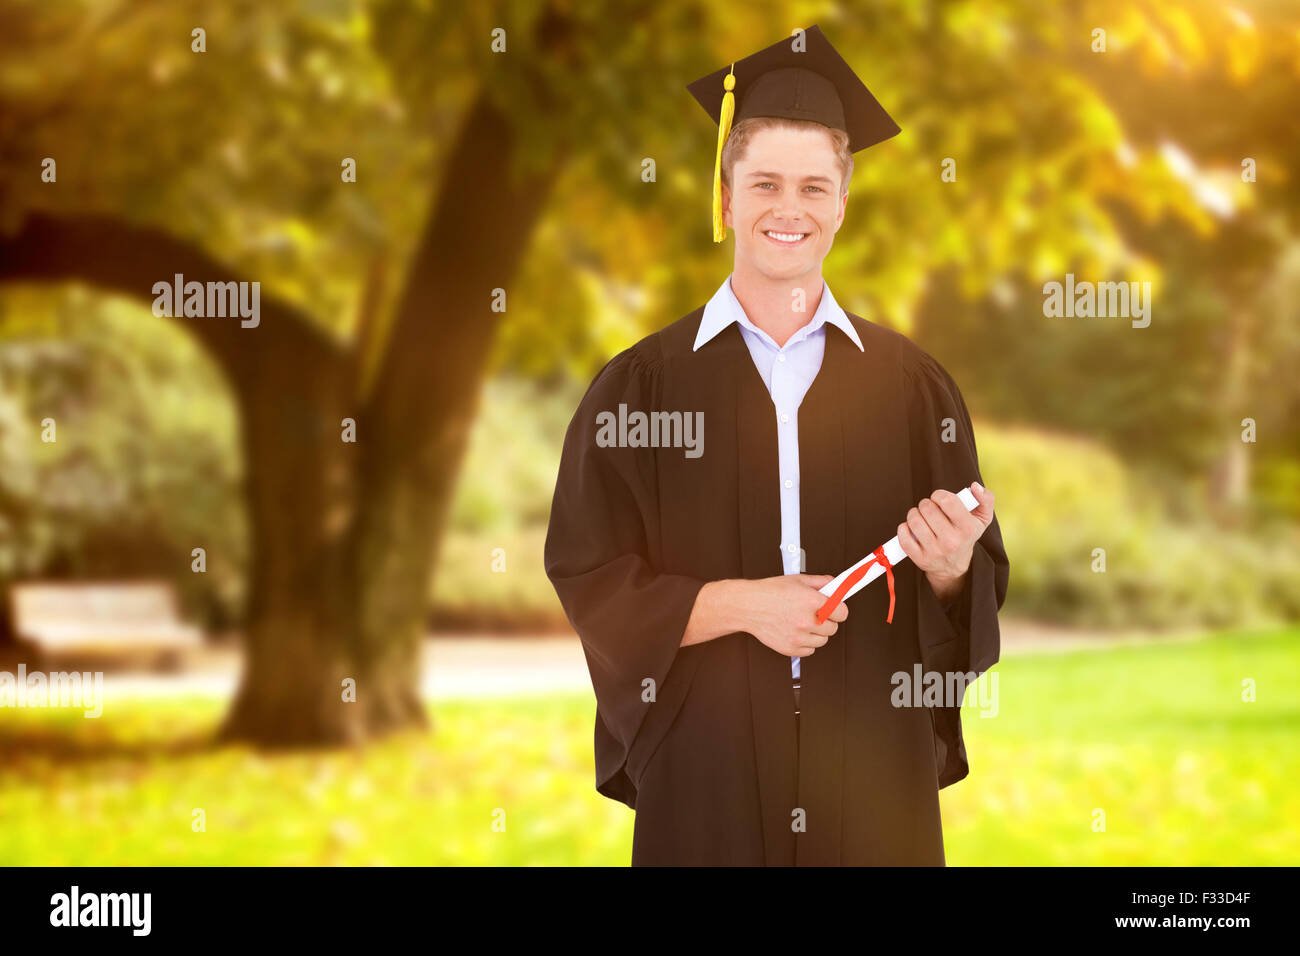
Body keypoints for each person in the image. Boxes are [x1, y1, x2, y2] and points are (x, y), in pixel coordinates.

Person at [544, 24, 1009, 866]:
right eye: (763, 183)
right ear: (725, 199)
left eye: (812, 186)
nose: (787, 209)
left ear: (841, 202)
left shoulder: (911, 386)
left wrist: (948, 568)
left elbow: (972, 594)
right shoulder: (641, 385)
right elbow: (588, 574)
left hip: (871, 766)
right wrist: (743, 606)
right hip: (706, 770)